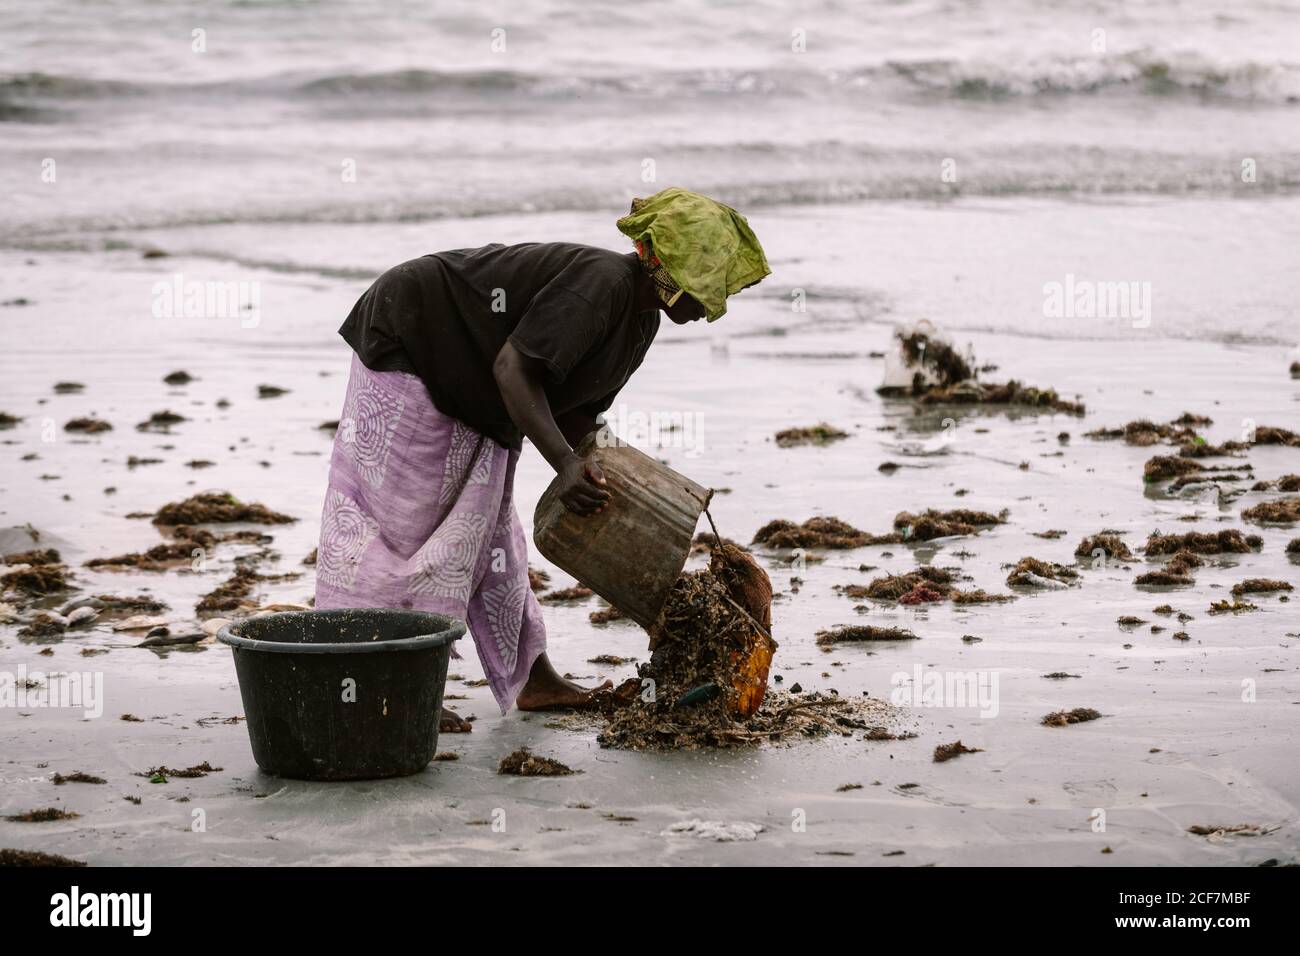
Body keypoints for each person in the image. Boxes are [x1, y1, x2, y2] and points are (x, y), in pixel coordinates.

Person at [313, 187, 770, 730]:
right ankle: (381, 681)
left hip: (476, 386)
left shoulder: (638, 320)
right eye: (714, 288)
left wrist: (619, 474)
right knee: (406, 527)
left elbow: (573, 410)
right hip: (416, 339)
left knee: (486, 534)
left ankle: (534, 679)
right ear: (676, 272)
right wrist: (566, 465)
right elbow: (514, 369)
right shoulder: (601, 286)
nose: (716, 307)